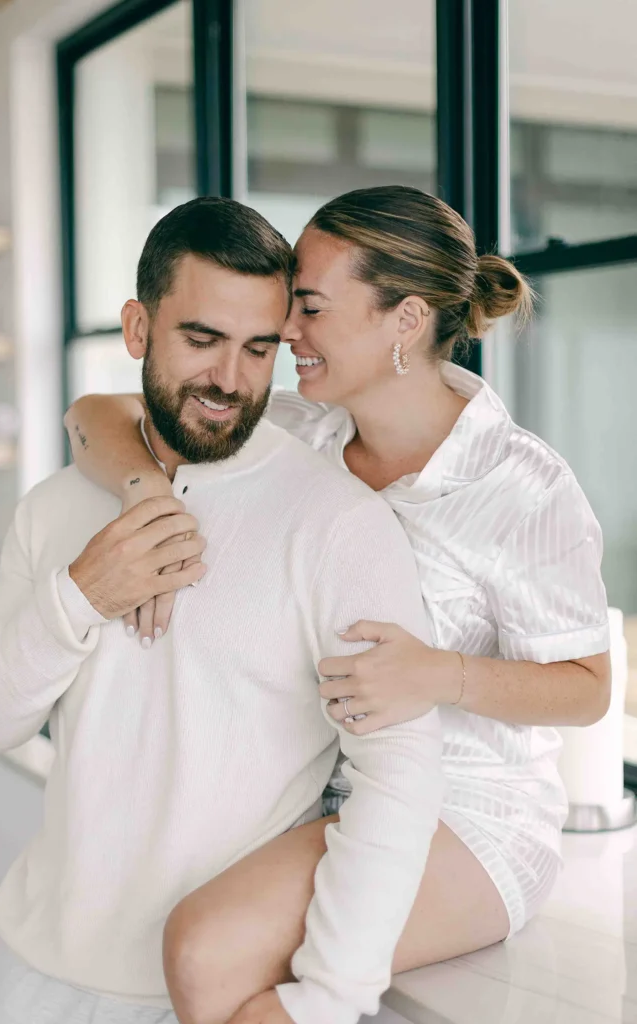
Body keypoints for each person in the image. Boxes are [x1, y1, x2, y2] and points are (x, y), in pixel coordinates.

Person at [66, 185, 611, 1024]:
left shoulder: (521, 485)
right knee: (168, 939)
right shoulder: (298, 432)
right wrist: (148, 490)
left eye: (310, 308)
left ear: (404, 321)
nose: (286, 334)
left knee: (205, 954)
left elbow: (587, 688)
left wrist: (441, 676)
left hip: (469, 818)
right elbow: (98, 413)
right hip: (318, 792)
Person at [0, 197, 445, 1024]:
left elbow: (397, 774)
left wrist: (326, 1000)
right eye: (201, 339)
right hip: (34, 975)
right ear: (138, 329)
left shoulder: (336, 524)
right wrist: (82, 595)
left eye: (259, 349)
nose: (230, 379)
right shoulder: (58, 504)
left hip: (204, 996)